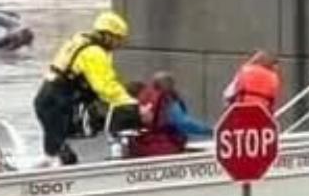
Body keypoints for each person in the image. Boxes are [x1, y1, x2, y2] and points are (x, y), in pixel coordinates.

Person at [32, 11, 134, 166]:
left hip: (47, 96)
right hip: (58, 101)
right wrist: (130, 103)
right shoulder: (94, 53)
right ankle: (57, 177)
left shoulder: (80, 40)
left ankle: (50, 164)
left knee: (55, 144)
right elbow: (105, 87)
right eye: (118, 39)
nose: (119, 44)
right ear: (107, 35)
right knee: (61, 147)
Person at [130, 72, 213, 158]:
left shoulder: (143, 99)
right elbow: (184, 123)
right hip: (165, 148)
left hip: (142, 148)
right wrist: (211, 131)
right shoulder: (166, 101)